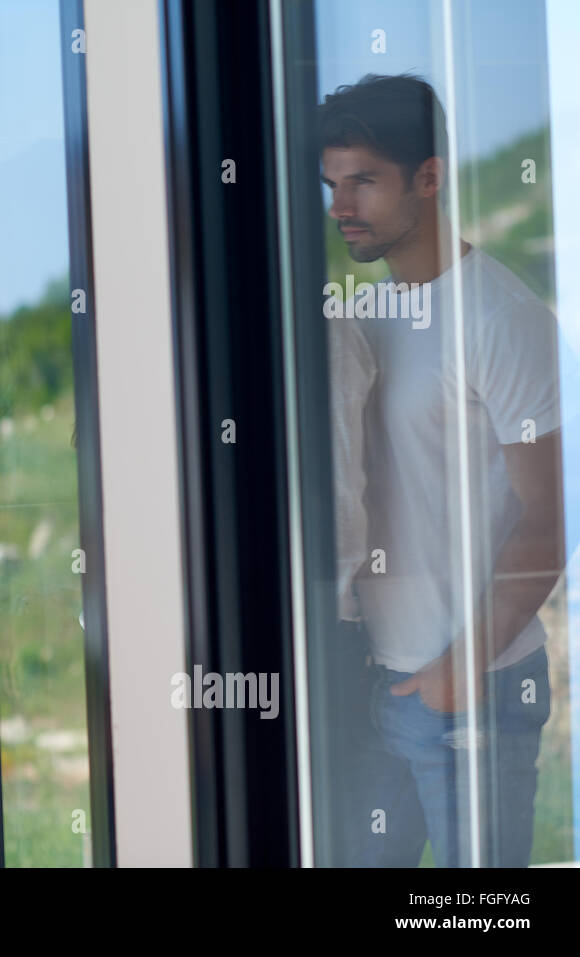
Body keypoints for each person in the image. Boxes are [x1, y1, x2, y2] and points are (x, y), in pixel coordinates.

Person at [318, 73, 573, 866]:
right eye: (331, 184)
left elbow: (551, 515)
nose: (341, 207)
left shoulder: (504, 317)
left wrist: (457, 673)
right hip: (379, 686)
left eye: (364, 180)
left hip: (475, 692)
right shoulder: (360, 319)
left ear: (429, 177)